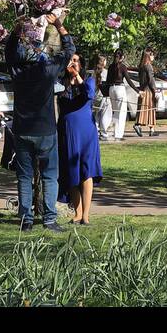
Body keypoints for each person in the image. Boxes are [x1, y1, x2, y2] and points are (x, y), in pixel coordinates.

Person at [6, 13, 75, 232]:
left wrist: (20, 28)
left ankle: (26, 219)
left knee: (24, 177)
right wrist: (58, 24)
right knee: (49, 176)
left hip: (22, 129)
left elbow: (9, 50)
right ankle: (49, 220)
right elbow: (69, 52)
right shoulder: (48, 70)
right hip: (45, 129)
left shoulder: (17, 71)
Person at [58, 52, 102, 224]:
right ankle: (77, 213)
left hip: (86, 133)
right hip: (68, 132)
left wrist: (78, 79)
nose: (73, 63)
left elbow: (90, 94)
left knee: (86, 171)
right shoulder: (62, 82)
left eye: (76, 61)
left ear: (81, 65)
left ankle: (86, 215)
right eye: (71, 61)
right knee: (71, 171)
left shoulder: (89, 80)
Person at [104, 48, 133, 141]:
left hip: (112, 89)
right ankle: (119, 134)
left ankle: (113, 132)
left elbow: (108, 81)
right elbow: (129, 80)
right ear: (122, 57)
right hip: (120, 89)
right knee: (122, 112)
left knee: (115, 112)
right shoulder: (122, 67)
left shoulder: (110, 66)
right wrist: (138, 90)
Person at [133, 47, 158, 138]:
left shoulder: (142, 66)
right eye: (152, 54)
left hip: (142, 90)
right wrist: (155, 90)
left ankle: (152, 129)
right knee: (148, 109)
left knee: (145, 109)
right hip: (148, 91)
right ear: (148, 55)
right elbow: (151, 80)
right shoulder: (148, 66)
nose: (153, 56)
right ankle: (138, 125)